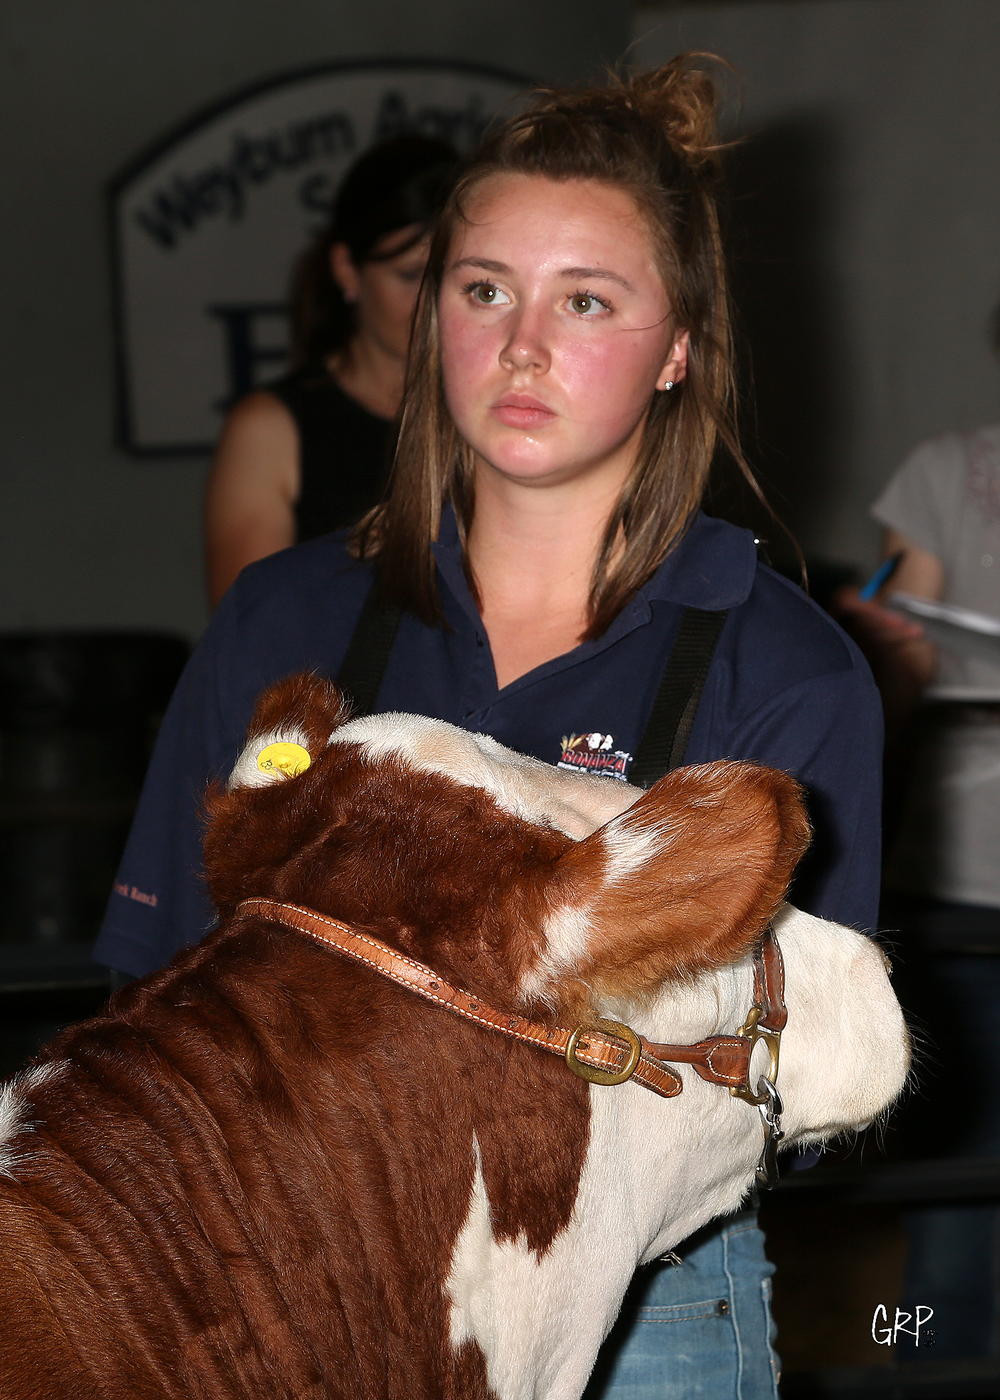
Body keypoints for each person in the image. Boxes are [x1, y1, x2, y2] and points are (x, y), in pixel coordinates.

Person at [97, 57, 883, 1400]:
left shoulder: (786, 664)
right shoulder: (286, 617)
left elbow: (806, 1090)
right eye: (484, 292)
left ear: (679, 347)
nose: (524, 346)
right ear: (433, 320)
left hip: (644, 1312)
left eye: (587, 301)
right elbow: (160, 976)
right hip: (289, 1272)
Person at [839, 424, 1000, 1362]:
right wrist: (868, 640)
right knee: (944, 1220)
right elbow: (897, 661)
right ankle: (910, 1369)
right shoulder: (949, 468)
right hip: (961, 886)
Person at [204, 134, 458, 607]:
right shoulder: (271, 429)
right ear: (346, 269)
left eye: (462, 278)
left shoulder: (498, 411)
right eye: (409, 275)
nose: (434, 303)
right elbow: (253, 640)